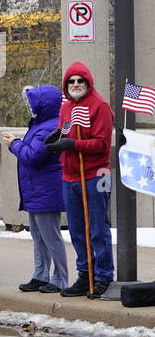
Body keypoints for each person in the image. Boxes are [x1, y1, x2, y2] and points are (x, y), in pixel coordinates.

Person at [48, 62, 114, 298]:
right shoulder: (66, 107)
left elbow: (102, 144)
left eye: (80, 81)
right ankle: (85, 275)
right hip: (70, 175)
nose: (76, 85)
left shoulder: (101, 106)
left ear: (88, 83)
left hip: (95, 175)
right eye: (71, 81)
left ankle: (103, 276)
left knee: (97, 229)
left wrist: (73, 144)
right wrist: (57, 140)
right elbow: (64, 130)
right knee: (77, 229)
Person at [5, 85, 68, 295]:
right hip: (36, 191)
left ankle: (60, 278)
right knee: (38, 236)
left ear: (44, 104)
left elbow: (34, 156)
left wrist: (14, 144)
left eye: (33, 103)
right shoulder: (40, 125)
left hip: (46, 191)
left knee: (51, 237)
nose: (30, 107)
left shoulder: (49, 127)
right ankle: (40, 275)